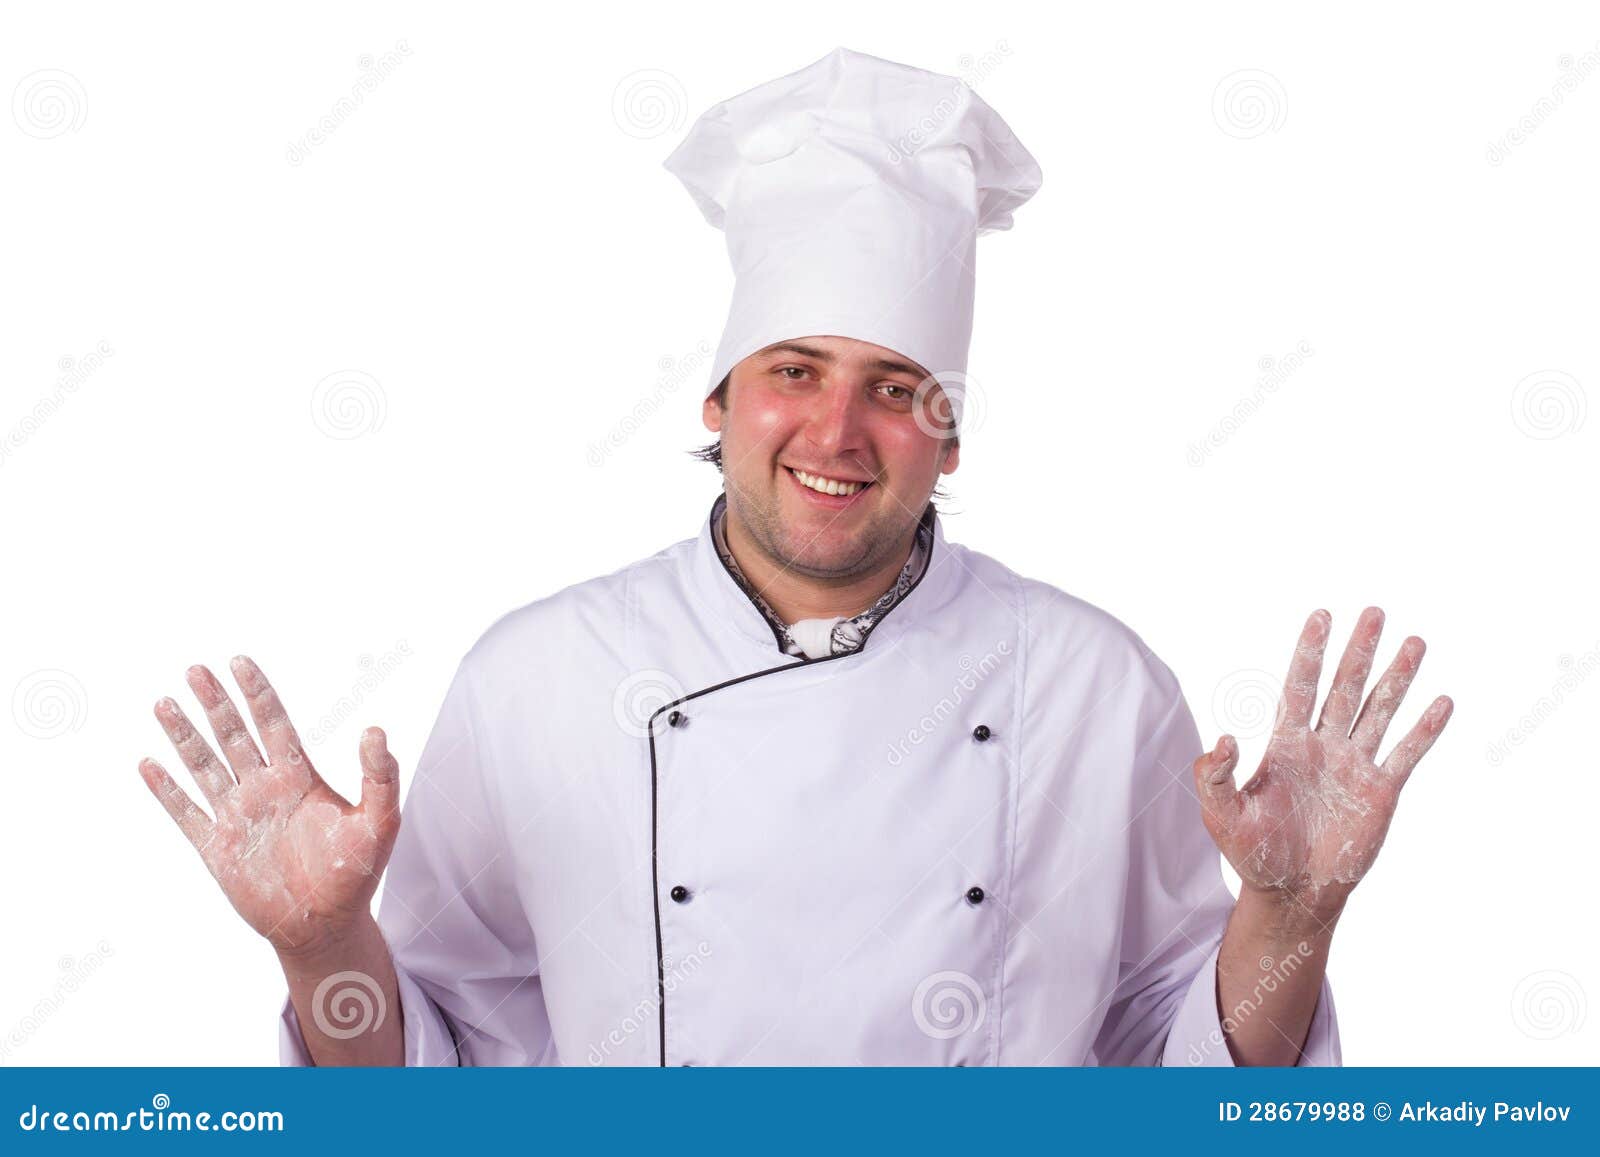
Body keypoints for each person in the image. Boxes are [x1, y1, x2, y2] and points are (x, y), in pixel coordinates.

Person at [138, 47, 1452, 1067]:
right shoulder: (537, 677)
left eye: (896, 386)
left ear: (949, 436)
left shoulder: (1093, 684)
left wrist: (1293, 917)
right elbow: (432, 1074)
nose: (838, 428)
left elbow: (1196, 1077)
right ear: (718, 403)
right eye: (795, 370)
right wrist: (321, 947)